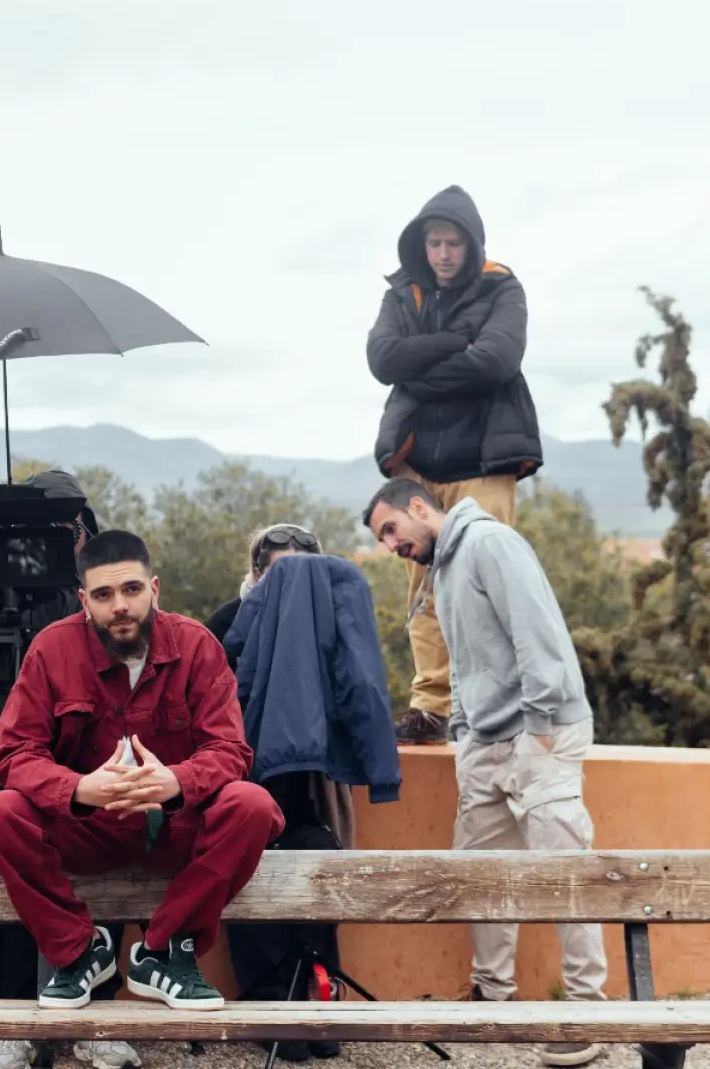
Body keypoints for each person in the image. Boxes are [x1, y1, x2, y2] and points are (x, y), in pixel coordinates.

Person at [0, 530, 283, 1013]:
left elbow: (230, 749)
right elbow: (12, 753)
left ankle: (165, 952)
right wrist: (78, 788)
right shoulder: (52, 651)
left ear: (154, 589)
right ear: (83, 600)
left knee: (252, 806)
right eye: (104, 594)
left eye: (132, 590)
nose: (120, 606)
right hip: (87, 830)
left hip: (176, 831)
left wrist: (177, 781)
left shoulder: (197, 646)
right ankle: (78, 951)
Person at [363, 479, 607, 1069]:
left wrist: (541, 720)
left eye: (391, 528)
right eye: (381, 538)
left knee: (562, 874)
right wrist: (465, 732)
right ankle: (492, 996)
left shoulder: (490, 543)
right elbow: (469, 662)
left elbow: (536, 631)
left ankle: (587, 1013)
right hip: (485, 742)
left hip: (537, 734)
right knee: (479, 873)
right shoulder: (443, 569)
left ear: (419, 507)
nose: (390, 543)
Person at [0, 469, 139, 1069]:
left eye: (73, 528)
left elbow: (133, 648)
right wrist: (19, 646)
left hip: (90, 759)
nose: (63, 539)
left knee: (104, 886)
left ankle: (95, 1019)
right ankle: (19, 1019)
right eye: (53, 529)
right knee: (16, 892)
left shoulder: (102, 585)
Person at [204, 525, 394, 1063]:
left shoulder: (329, 615)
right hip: (244, 782)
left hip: (313, 789)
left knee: (315, 858)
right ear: (258, 573)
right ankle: (270, 1002)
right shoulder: (225, 622)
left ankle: (317, 999)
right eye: (281, 572)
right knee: (254, 870)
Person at [366, 184, 540, 745]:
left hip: (487, 460)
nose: (443, 254)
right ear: (421, 246)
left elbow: (497, 360)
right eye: (434, 243)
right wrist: (456, 342)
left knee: (492, 578)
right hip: (420, 466)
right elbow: (381, 359)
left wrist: (419, 369)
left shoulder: (501, 286)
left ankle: (505, 701)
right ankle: (431, 706)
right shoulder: (403, 293)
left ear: (471, 245)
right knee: (425, 587)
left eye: (453, 243)